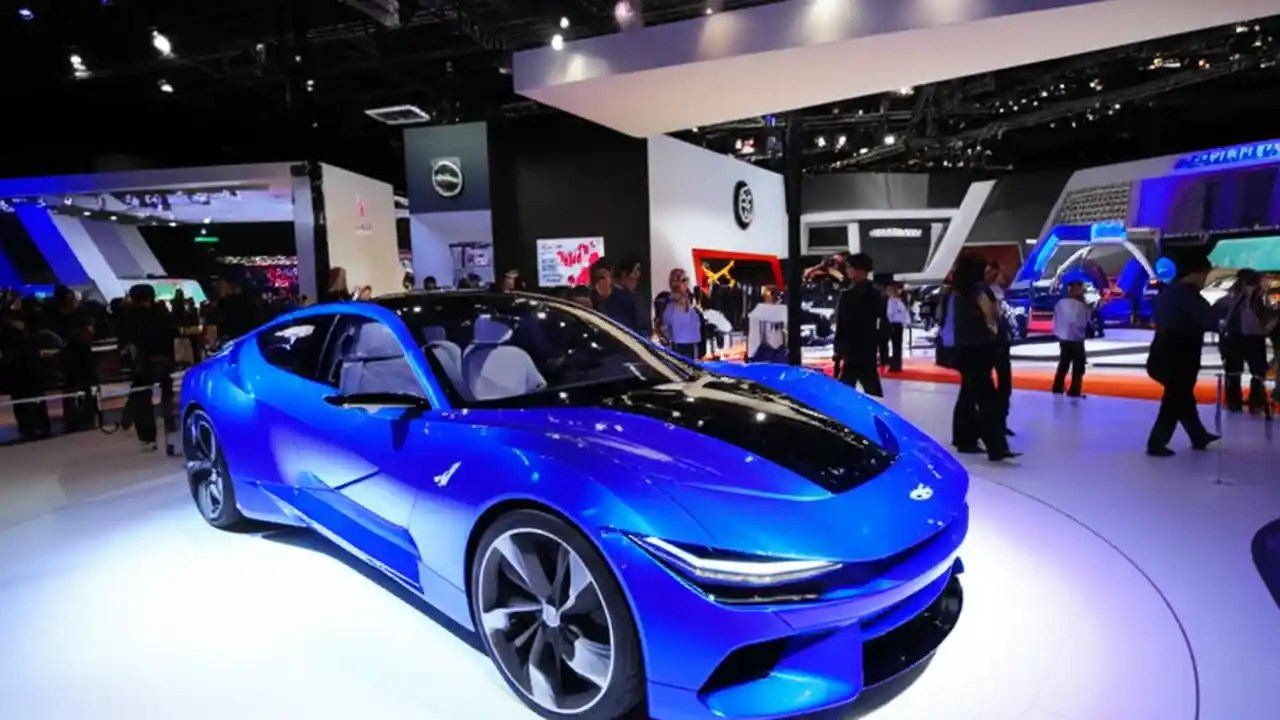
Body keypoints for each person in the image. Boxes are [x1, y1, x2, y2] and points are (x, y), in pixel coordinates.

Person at [939, 256, 1017, 461]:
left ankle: (964, 438)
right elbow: (992, 318)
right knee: (986, 400)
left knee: (968, 395)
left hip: (958, 350)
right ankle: (996, 447)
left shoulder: (952, 292)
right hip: (980, 349)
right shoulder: (979, 291)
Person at [1145, 254, 1219, 457]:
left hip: (1161, 352)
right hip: (1181, 355)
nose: (1205, 280)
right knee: (1175, 399)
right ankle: (1156, 442)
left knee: (1182, 396)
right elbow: (1209, 319)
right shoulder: (1190, 297)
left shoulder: (1167, 294)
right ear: (1193, 274)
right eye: (1204, 275)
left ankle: (1198, 435)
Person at [120, 284, 177, 450]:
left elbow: (126, 339)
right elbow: (172, 333)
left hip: (143, 363)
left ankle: (148, 437)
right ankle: (172, 431)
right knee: (167, 395)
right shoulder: (162, 313)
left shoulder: (131, 316)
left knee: (142, 398)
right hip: (165, 359)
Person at [1220, 269, 1275, 413]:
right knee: (1255, 371)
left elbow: (1222, 312)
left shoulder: (1234, 295)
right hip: (1252, 336)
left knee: (1235, 371)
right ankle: (1255, 402)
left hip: (1238, 335)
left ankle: (1235, 402)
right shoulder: (1261, 294)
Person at [832, 253, 884, 397]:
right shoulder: (876, 295)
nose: (847, 271)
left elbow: (842, 325)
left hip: (852, 348)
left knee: (845, 389)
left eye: (849, 267)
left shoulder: (848, 296)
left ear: (859, 270)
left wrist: (838, 349)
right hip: (868, 348)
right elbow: (882, 325)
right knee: (872, 389)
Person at [984, 263, 1014, 434]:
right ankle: (992, 424)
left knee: (1004, 384)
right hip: (991, 341)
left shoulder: (995, 290)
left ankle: (1000, 422)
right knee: (990, 386)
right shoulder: (982, 292)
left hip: (999, 339)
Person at [1052, 279, 1090, 398]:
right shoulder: (1079, 305)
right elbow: (1083, 321)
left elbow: (1056, 320)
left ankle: (1058, 387)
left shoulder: (1061, 304)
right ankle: (1074, 389)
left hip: (1065, 337)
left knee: (1064, 363)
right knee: (1077, 365)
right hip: (1076, 339)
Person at [661, 269, 702, 358]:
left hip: (692, 344)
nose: (687, 282)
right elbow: (662, 326)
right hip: (679, 346)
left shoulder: (691, 300)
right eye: (683, 280)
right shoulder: (669, 303)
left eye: (686, 279)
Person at [883, 282, 909, 373]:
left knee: (896, 345)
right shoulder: (897, 300)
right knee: (896, 345)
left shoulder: (894, 301)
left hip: (895, 324)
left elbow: (891, 313)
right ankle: (896, 364)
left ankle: (896, 365)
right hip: (896, 324)